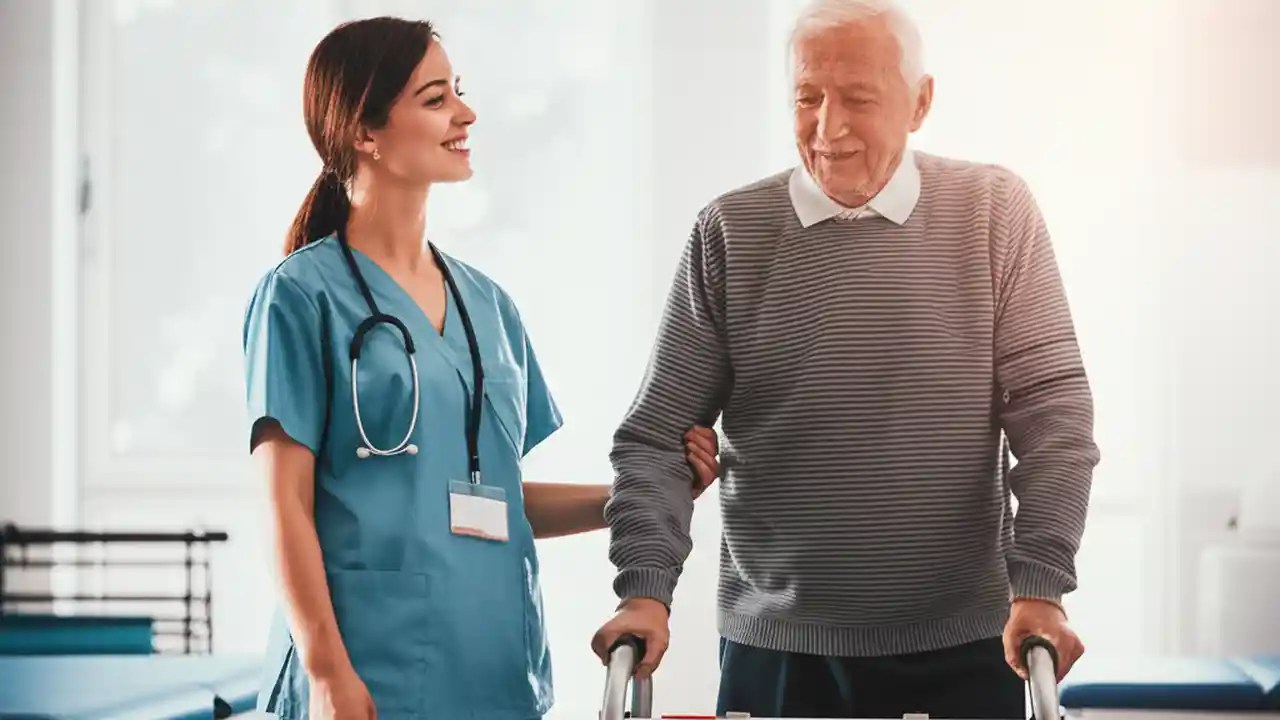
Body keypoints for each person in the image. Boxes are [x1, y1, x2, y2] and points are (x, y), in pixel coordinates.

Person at [591, 0, 1101, 718]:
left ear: (920, 101)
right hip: (779, 647)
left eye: (858, 99)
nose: (828, 128)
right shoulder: (730, 231)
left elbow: (1054, 417)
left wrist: (1041, 585)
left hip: (961, 642)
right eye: (808, 98)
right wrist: (644, 591)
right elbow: (654, 438)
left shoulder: (994, 212)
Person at [242, 17, 721, 720]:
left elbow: (490, 496)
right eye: (435, 99)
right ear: (364, 132)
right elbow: (285, 504)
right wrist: (325, 671)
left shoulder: (486, 305)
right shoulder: (299, 296)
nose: (465, 113)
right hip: (367, 671)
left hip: (493, 667)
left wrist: (635, 496)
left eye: (457, 92)